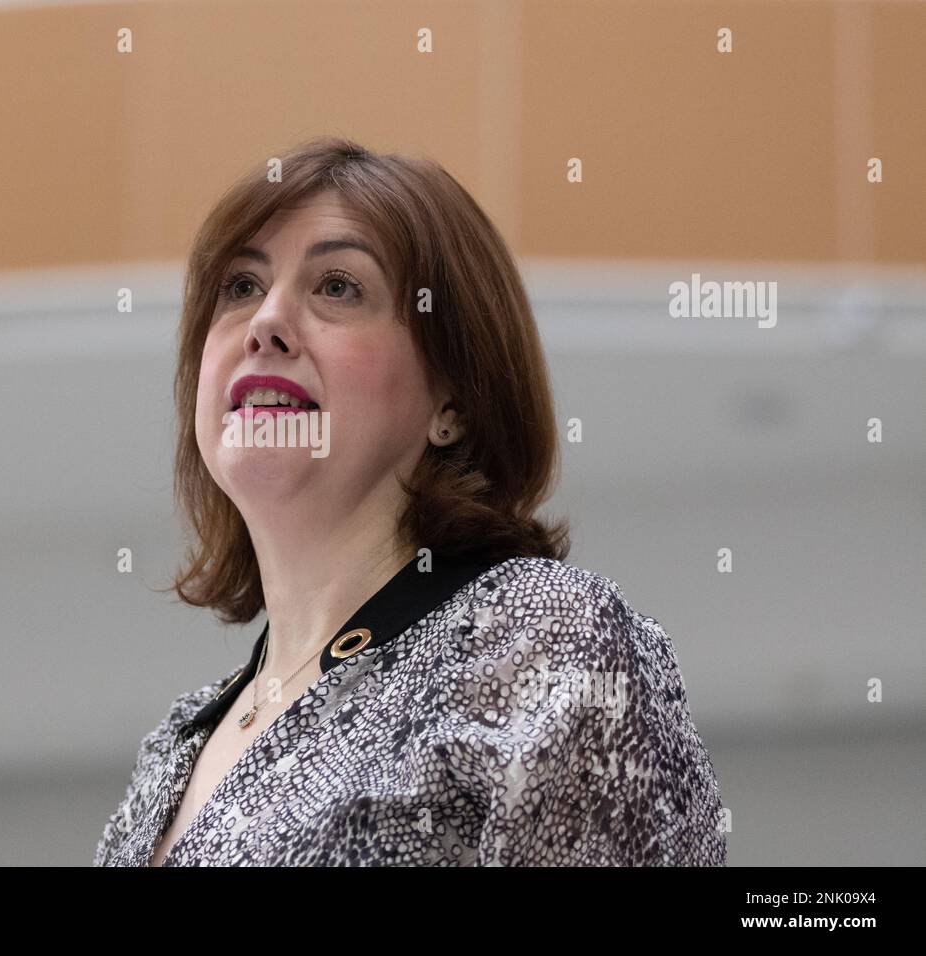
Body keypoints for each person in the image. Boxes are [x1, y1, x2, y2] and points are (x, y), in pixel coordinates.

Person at [92, 137, 727, 866]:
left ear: (451, 400)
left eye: (337, 286)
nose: (266, 322)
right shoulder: (173, 751)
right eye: (239, 286)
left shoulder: (536, 639)